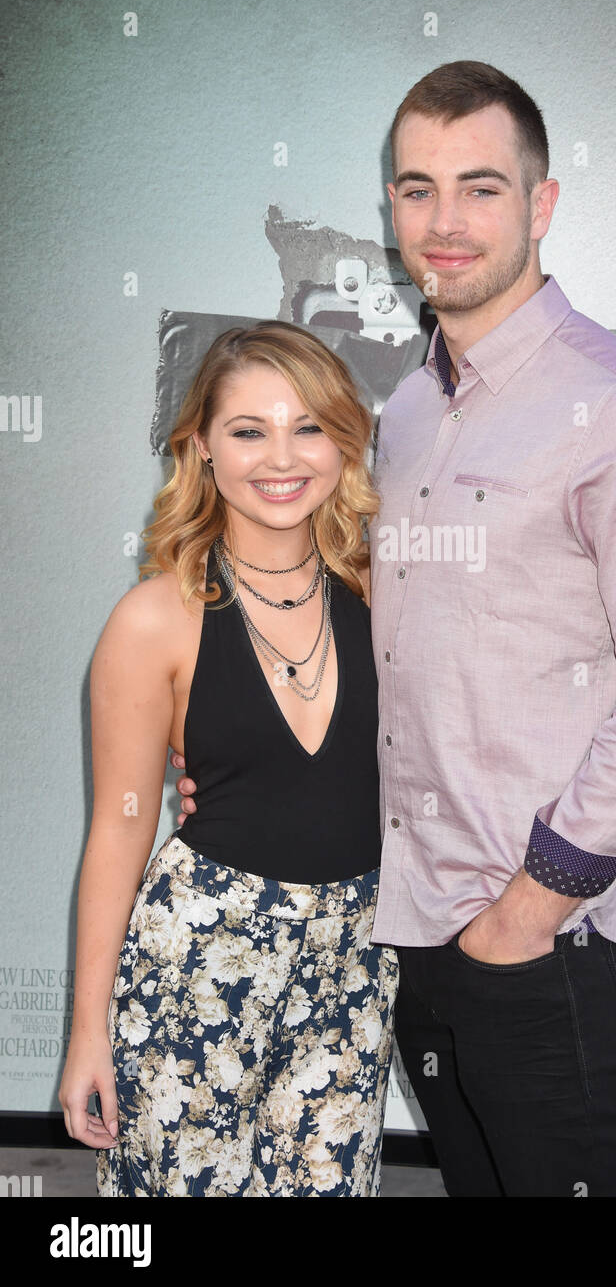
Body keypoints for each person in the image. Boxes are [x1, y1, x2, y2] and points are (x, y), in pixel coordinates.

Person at [176, 61, 616, 1197]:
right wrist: (246, 760)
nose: (444, 220)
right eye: (417, 188)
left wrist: (527, 913)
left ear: (540, 204)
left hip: (550, 944)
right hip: (418, 930)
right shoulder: (415, 408)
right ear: (390, 211)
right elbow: (402, 654)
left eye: (480, 187)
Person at [58, 321, 398, 1197]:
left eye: (308, 427)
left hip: (356, 963)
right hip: (198, 965)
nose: (280, 457)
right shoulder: (153, 619)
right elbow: (117, 833)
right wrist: (87, 1032)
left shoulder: (390, 592)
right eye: (248, 430)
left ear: (344, 439)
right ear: (201, 448)